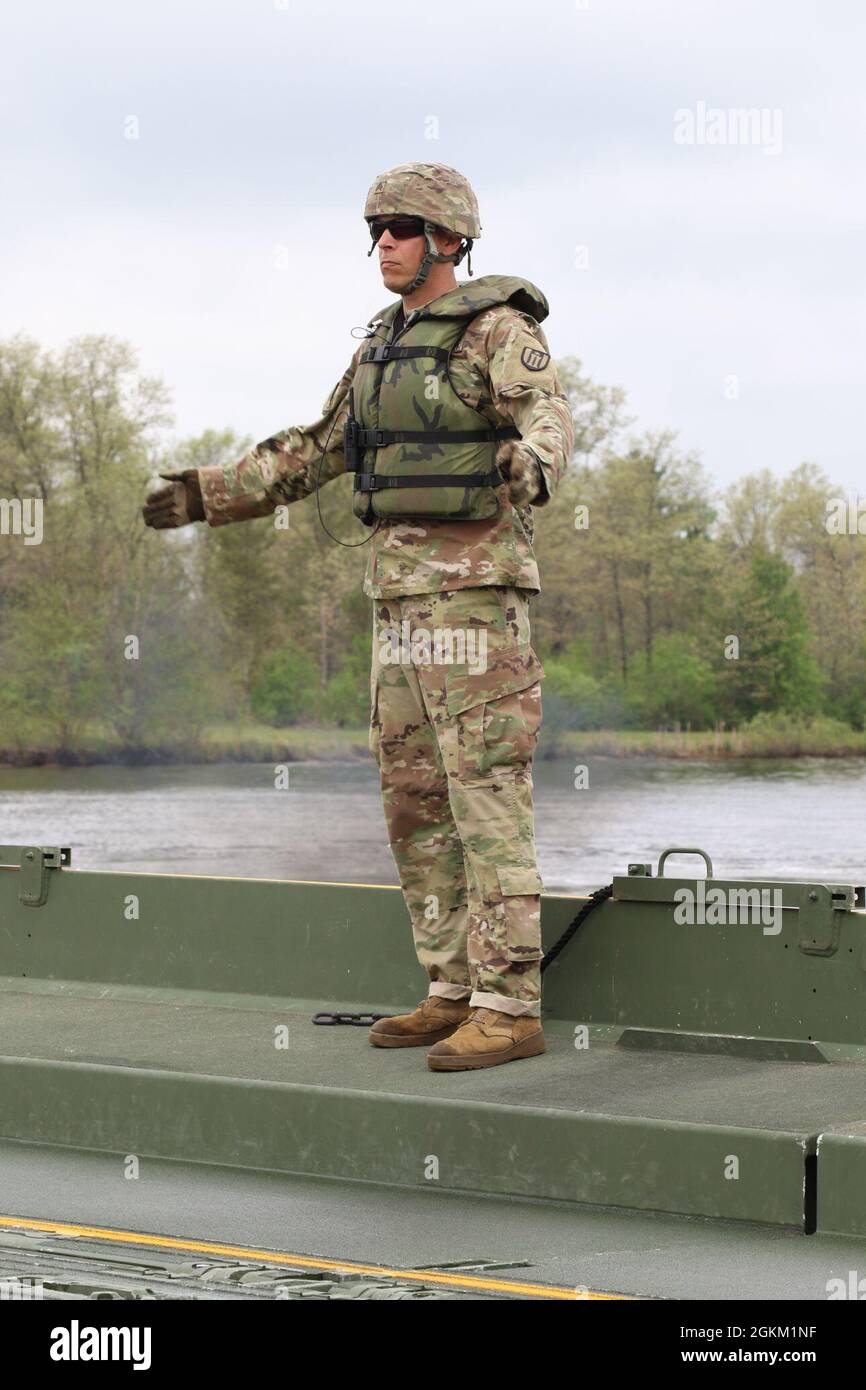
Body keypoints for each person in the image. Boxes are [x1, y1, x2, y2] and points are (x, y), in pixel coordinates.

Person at [143, 162, 574, 1071]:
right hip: (398, 605)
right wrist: (203, 496)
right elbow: (315, 450)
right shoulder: (379, 346)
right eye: (376, 226)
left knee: (485, 795)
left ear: (450, 238)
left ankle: (511, 1004)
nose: (384, 240)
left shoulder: (500, 329)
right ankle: (452, 988)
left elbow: (548, 418)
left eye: (404, 226)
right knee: (415, 800)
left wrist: (529, 465)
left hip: (476, 601)